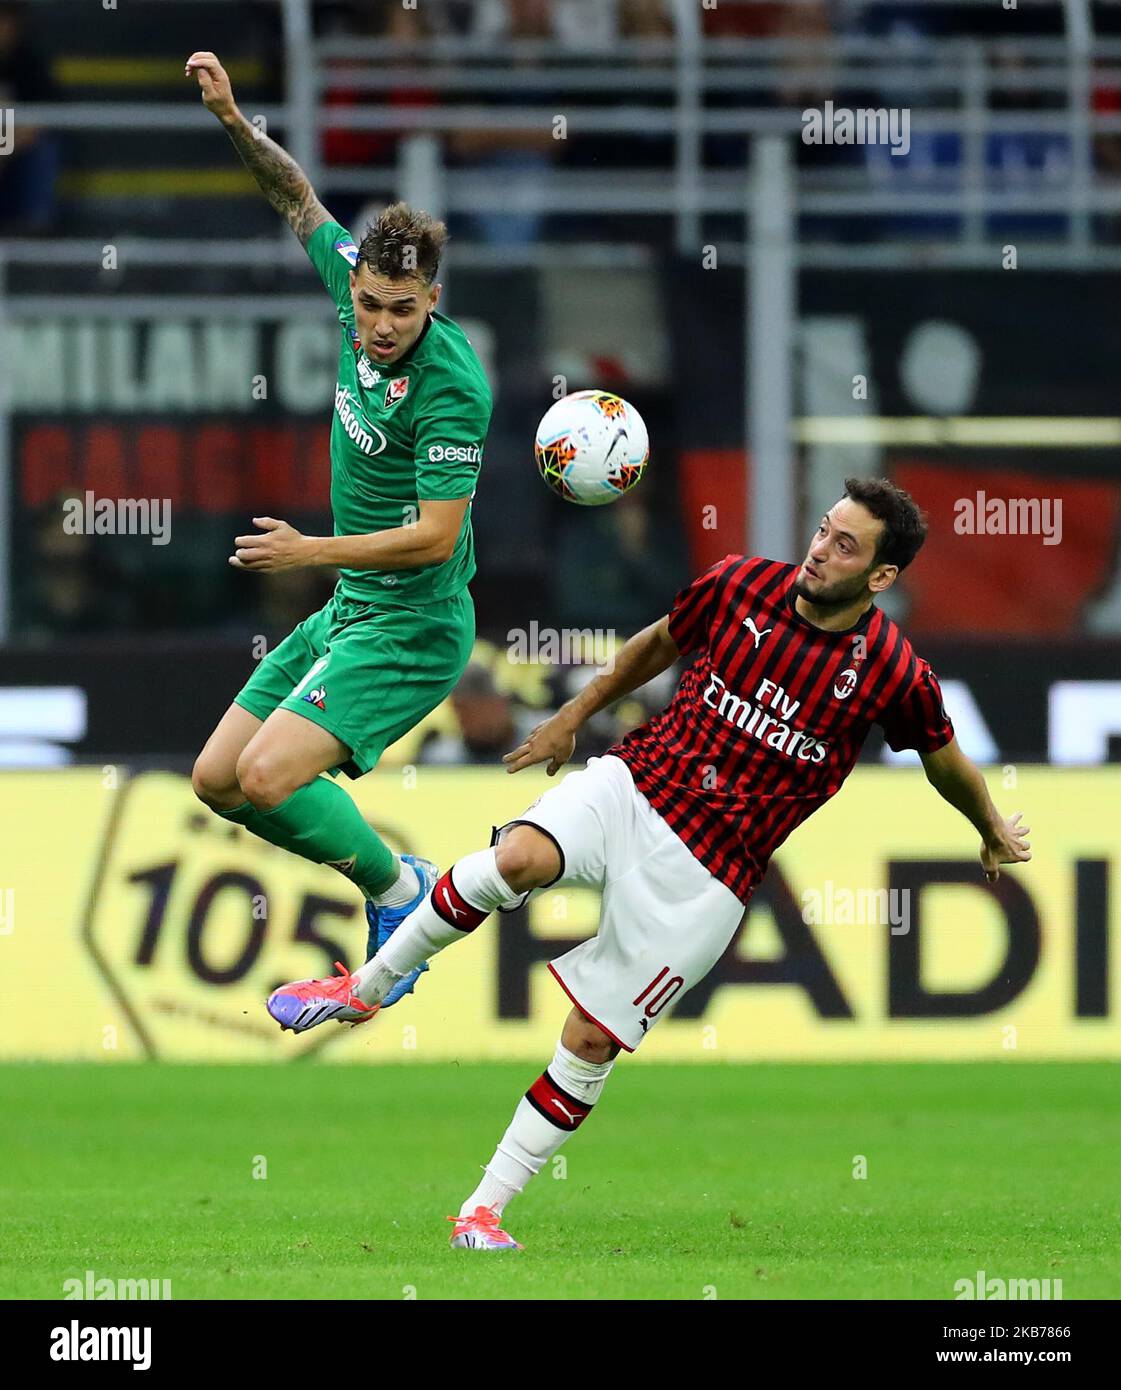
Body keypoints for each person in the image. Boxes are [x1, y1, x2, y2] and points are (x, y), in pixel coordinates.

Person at [267, 478, 1031, 1250]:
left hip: (712, 871)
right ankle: (365, 990)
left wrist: (990, 824)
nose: (818, 550)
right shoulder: (739, 585)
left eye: (844, 545)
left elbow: (943, 759)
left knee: (592, 1040)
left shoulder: (890, 671)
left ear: (879, 577)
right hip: (638, 784)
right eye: (823, 530)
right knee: (519, 857)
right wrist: (571, 716)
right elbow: (656, 643)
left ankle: (482, 1210)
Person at [184, 51, 492, 1000]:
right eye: (368, 305)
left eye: (403, 309)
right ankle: (396, 887)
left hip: (413, 626)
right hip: (353, 608)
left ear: (433, 300)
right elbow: (298, 199)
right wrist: (236, 122)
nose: (381, 324)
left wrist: (308, 550)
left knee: (270, 776)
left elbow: (437, 537)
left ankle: (403, 889)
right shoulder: (353, 288)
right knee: (217, 780)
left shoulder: (450, 386)